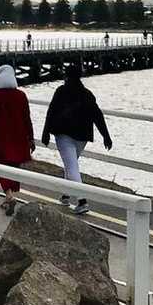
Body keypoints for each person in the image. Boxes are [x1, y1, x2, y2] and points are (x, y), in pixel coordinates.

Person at [41, 63, 112, 215]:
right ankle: (66, 194)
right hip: (82, 136)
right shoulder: (87, 94)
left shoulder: (61, 91)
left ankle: (82, 201)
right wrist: (106, 136)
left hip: (64, 133)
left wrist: (45, 132)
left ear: (66, 76)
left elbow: (51, 112)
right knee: (71, 164)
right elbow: (97, 116)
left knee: (71, 166)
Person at [0, 65, 33, 215]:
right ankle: (9, 196)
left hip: (0, 137)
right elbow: (27, 118)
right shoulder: (21, 96)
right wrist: (31, 138)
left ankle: (9, 196)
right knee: (14, 167)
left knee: (1, 167)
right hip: (19, 137)